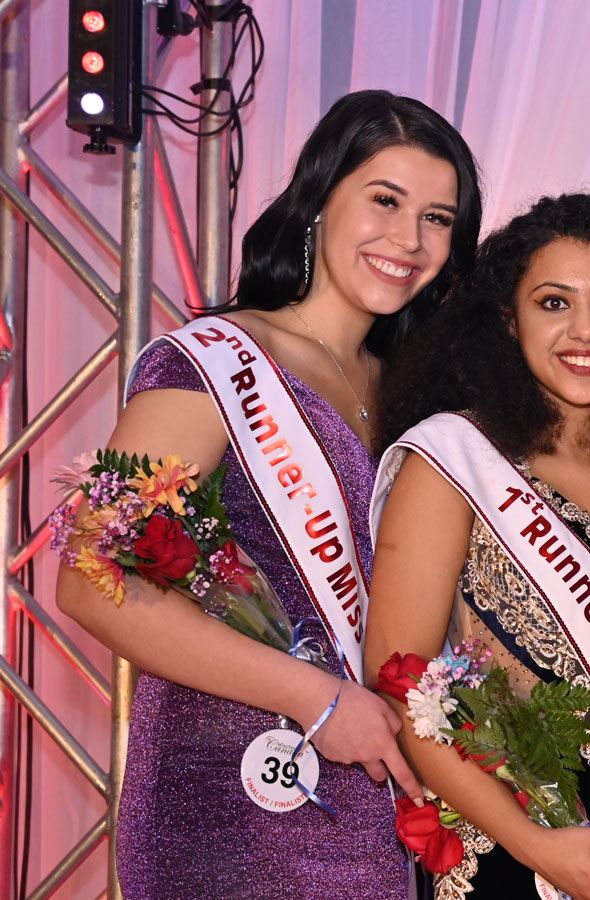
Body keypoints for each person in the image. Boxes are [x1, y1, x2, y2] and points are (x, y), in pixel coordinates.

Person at [54, 89, 480, 899]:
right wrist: (317, 698)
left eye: (438, 218)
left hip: (375, 800)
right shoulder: (216, 359)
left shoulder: (416, 396)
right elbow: (89, 577)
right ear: (320, 199)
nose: (408, 239)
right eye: (384, 201)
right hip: (229, 802)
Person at [363, 193, 590, 900]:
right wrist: (537, 845)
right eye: (555, 303)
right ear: (509, 318)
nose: (586, 331)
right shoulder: (455, 462)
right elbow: (400, 687)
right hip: (513, 856)